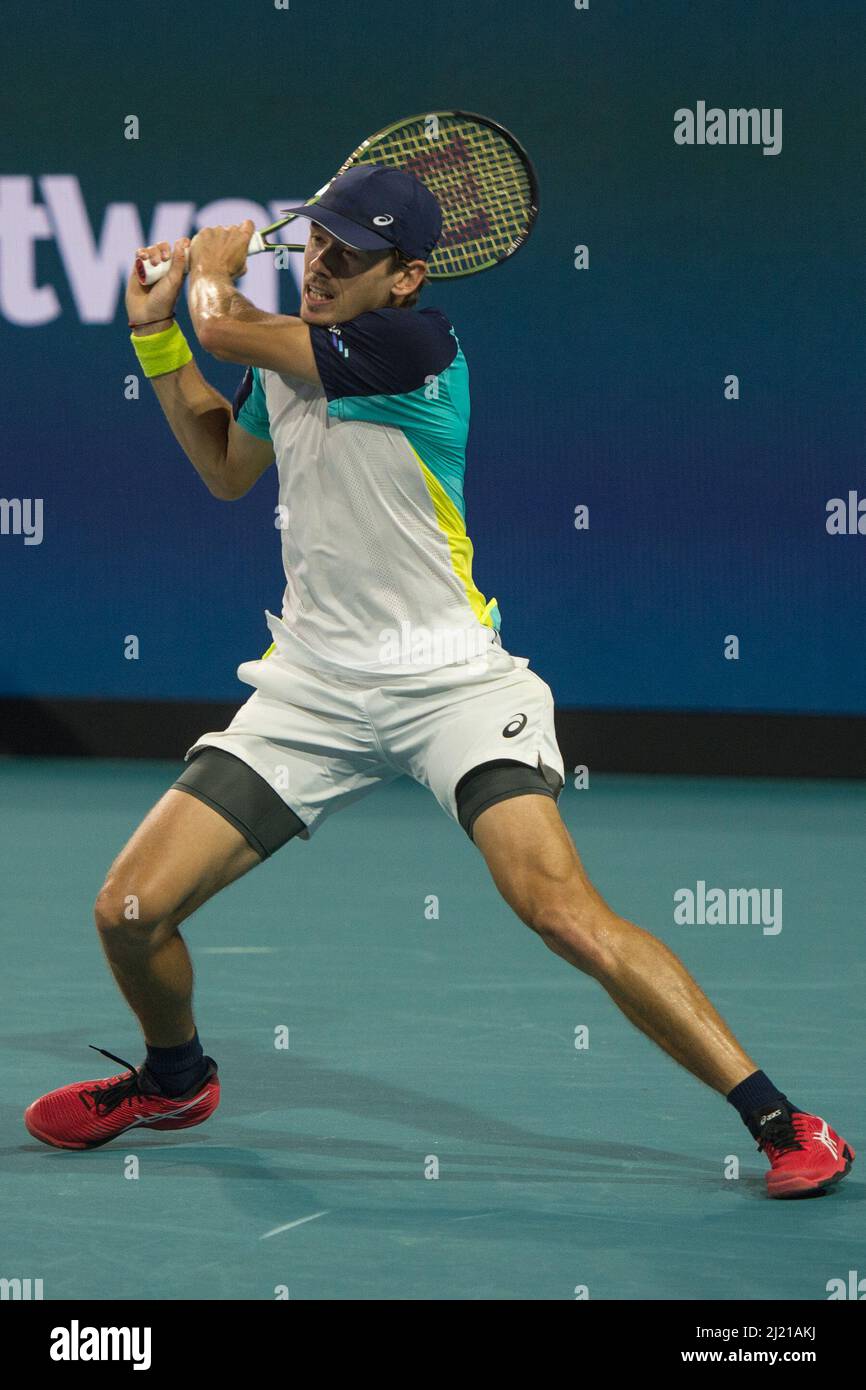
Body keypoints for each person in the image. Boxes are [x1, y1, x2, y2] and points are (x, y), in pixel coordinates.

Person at [25, 165, 853, 1199]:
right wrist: (156, 342)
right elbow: (226, 468)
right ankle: (175, 1078)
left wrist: (207, 277)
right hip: (313, 687)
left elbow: (226, 326)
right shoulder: (291, 358)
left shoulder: (416, 347)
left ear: (406, 279)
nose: (320, 266)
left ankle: (778, 1118)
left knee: (558, 909)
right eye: (316, 244)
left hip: (450, 683)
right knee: (129, 911)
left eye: (349, 256)